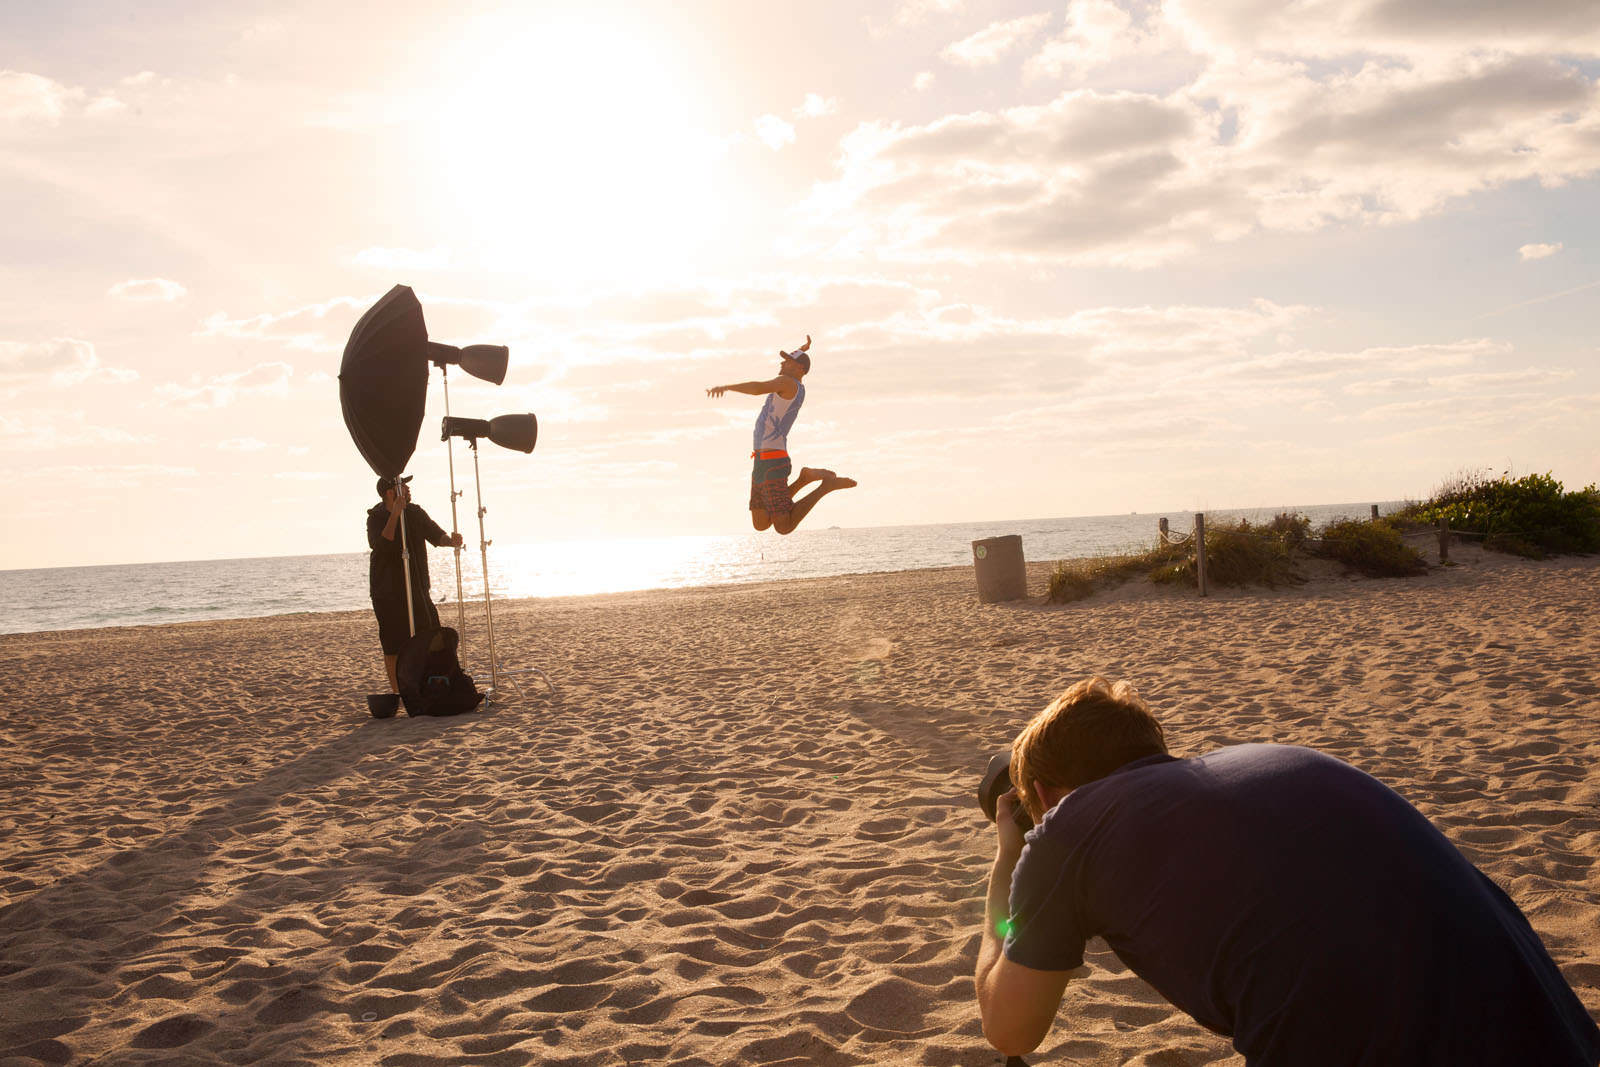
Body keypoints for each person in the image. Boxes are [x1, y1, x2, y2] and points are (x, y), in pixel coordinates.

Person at [976, 677, 1600, 1066]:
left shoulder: (1070, 825)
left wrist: (1008, 860)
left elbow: (1011, 1031)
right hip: (1560, 1040)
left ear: (1043, 794)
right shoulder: (1281, 759)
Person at [706, 334, 856, 535]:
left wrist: (726, 387)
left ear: (799, 369)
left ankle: (825, 487)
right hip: (761, 461)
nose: (782, 363)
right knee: (761, 523)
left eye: (788, 361)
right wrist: (803, 349)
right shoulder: (791, 382)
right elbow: (797, 365)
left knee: (783, 526)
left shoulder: (787, 383)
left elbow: (758, 388)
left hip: (773, 461)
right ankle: (803, 479)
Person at [367, 477, 462, 693]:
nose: (408, 489)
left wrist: (452, 541)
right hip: (387, 592)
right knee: (392, 644)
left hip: (417, 588)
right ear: (391, 492)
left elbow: (436, 535)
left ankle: (431, 687)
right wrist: (395, 514)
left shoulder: (416, 513)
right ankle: (398, 694)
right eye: (403, 486)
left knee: (431, 636)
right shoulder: (375, 517)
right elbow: (382, 544)